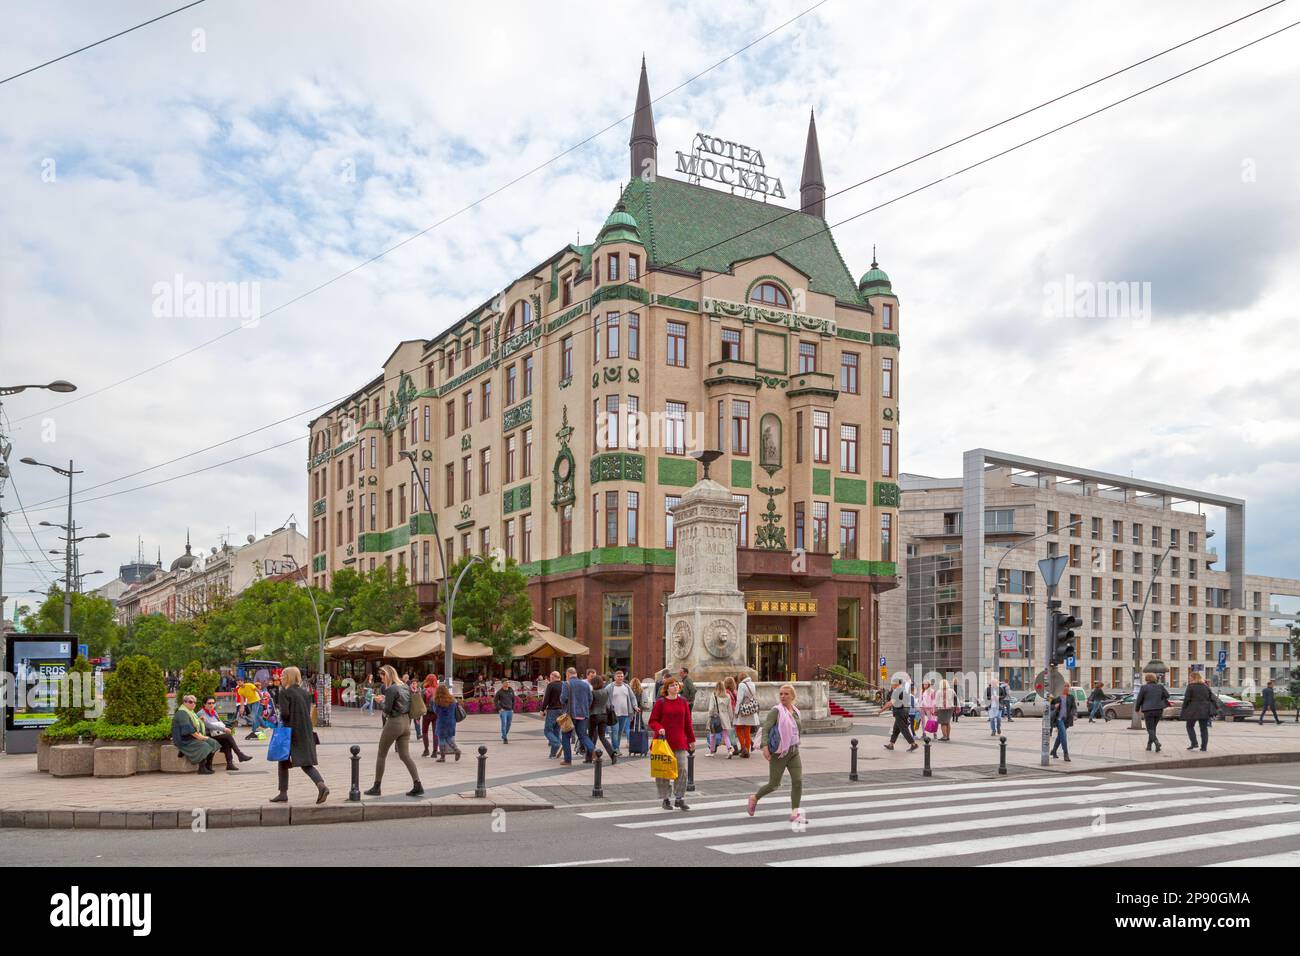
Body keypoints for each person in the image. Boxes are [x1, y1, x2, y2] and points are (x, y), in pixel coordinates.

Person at [268, 666, 328, 803]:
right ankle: (321, 785)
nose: (280, 678)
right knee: (305, 763)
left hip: (290, 731)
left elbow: (285, 714)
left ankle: (283, 793)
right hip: (305, 730)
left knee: (283, 760)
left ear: (288, 677)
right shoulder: (305, 693)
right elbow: (306, 712)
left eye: (283, 676)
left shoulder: (285, 692)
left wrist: (279, 721)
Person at [746, 683, 805, 823]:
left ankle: (795, 813)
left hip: (793, 751)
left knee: (798, 781)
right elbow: (766, 729)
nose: (783, 696)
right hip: (779, 753)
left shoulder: (796, 711)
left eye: (786, 694)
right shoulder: (776, 711)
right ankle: (755, 798)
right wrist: (765, 747)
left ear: (793, 696)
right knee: (774, 784)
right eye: (781, 694)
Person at [363, 664, 424, 796]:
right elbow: (402, 703)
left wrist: (380, 701)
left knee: (381, 753)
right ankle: (417, 784)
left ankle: (376, 787)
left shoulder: (391, 689)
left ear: (388, 675)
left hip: (394, 722)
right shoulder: (404, 686)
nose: (381, 677)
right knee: (405, 755)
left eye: (382, 675)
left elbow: (387, 709)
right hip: (406, 723)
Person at [648, 675, 695, 811]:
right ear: (666, 689)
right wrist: (659, 727)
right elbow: (652, 721)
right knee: (663, 771)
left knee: (681, 770)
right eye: (672, 685)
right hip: (663, 742)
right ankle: (665, 798)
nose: (675, 687)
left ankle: (679, 798)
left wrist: (691, 740)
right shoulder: (660, 703)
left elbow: (688, 722)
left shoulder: (683, 702)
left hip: (679, 741)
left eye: (676, 685)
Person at [198, 696, 253, 769]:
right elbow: (209, 725)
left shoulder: (214, 712)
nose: (211, 705)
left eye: (213, 703)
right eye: (209, 703)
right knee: (227, 736)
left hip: (216, 734)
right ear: (204, 704)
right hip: (207, 734)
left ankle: (230, 764)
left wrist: (225, 727)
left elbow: (219, 722)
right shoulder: (201, 713)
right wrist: (224, 729)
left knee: (227, 741)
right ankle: (239, 754)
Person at [171, 694, 221, 773]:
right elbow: (187, 729)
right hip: (183, 739)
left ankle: (208, 765)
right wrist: (201, 737)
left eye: (195, 702)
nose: (193, 704)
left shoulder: (191, 712)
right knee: (205, 745)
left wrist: (199, 720)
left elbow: (193, 723)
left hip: (190, 736)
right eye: (190, 702)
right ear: (184, 702)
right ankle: (202, 768)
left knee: (213, 742)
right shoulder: (182, 713)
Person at [559, 666, 596, 766]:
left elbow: (563, 699)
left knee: (566, 736)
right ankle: (594, 750)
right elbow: (590, 698)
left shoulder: (566, 684)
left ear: (567, 674)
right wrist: (585, 707)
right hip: (583, 714)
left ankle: (567, 760)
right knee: (583, 735)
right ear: (576, 674)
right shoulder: (585, 684)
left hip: (571, 714)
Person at [1134, 672, 1170, 752]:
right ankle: (1149, 746)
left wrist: (1137, 709)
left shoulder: (1144, 687)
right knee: (1153, 728)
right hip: (1159, 709)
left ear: (1146, 679)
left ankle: (1156, 742)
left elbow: (1139, 699)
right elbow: (1167, 695)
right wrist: (1159, 699)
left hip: (1148, 710)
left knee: (1149, 728)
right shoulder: (1160, 686)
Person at [879, 677, 918, 751]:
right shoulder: (903, 690)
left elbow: (890, 703)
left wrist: (881, 710)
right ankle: (891, 744)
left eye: (892, 684)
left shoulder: (896, 691)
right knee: (896, 730)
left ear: (896, 684)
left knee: (904, 729)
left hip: (900, 713)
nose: (892, 685)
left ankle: (913, 744)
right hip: (904, 712)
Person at [585, 675, 617, 764]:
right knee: (602, 737)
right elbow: (608, 704)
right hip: (604, 716)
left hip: (593, 716)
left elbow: (590, 704)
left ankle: (589, 757)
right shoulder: (605, 692)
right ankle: (613, 754)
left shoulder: (592, 692)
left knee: (591, 737)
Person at [1182, 670, 1216, 752]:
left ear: (1193, 678)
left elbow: (1187, 699)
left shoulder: (1190, 686)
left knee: (1189, 726)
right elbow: (1212, 698)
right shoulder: (1206, 686)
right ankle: (1204, 747)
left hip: (1192, 710)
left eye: (1190, 677)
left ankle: (1194, 743)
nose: (1189, 679)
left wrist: (1184, 708)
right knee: (1204, 729)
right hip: (1205, 710)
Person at [608, 670, 639, 755]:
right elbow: (605, 698)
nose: (620, 678)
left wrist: (635, 706)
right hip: (613, 714)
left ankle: (615, 748)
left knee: (619, 732)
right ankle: (616, 749)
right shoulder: (610, 687)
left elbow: (632, 697)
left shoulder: (626, 686)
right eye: (618, 676)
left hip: (625, 714)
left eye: (622, 676)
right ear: (615, 677)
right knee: (615, 731)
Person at [431, 684, 462, 762]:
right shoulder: (452, 699)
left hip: (441, 721)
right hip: (451, 721)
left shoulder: (437, 701)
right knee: (449, 738)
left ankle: (442, 757)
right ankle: (456, 750)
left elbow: (436, 711)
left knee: (441, 738)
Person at [734, 672, 760, 757]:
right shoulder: (752, 684)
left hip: (743, 710)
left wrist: (736, 711)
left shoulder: (741, 685)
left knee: (738, 729)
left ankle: (743, 748)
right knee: (747, 732)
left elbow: (739, 699)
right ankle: (747, 751)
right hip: (750, 710)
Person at [1049, 682, 1077, 762]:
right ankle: (1066, 754)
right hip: (1058, 719)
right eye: (1065, 686)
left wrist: (1075, 714)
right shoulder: (1056, 696)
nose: (1067, 687)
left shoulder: (1071, 697)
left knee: (1060, 735)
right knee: (1063, 735)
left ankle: (1054, 751)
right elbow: (1047, 705)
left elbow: (1074, 707)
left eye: (1068, 686)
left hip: (1067, 720)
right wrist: (1054, 706)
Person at [540, 671, 564, 758]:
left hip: (552, 710)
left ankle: (557, 743)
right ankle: (553, 754)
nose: (550, 679)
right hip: (562, 710)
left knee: (547, 730)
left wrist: (542, 710)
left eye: (550, 677)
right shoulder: (564, 684)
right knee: (556, 731)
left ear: (553, 677)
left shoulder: (551, 685)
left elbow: (546, 699)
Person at [420, 675, 439, 756]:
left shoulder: (424, 690)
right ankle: (435, 751)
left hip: (426, 714)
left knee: (425, 732)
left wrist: (417, 716)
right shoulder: (438, 690)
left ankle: (426, 750)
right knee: (436, 733)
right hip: (436, 714)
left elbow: (421, 704)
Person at [494, 680, 517, 744]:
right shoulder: (499, 692)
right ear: (502, 684)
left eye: (508, 682)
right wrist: (500, 709)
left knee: (509, 724)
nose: (508, 683)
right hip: (503, 711)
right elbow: (495, 701)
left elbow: (513, 700)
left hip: (510, 710)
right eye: (506, 682)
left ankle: (504, 735)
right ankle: (505, 738)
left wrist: (512, 709)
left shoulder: (511, 690)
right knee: (504, 724)